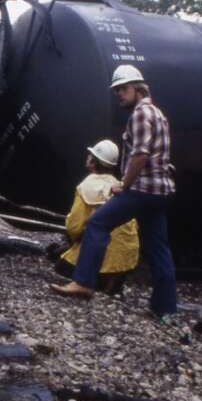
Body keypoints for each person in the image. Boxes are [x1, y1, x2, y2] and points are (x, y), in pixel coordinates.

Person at [55, 65, 178, 321]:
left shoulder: (140, 115)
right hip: (161, 192)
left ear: (138, 88)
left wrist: (124, 184)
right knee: (158, 247)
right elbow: (158, 154)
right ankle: (164, 307)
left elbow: (141, 154)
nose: (119, 94)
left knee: (97, 223)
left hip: (142, 190)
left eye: (123, 89)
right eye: (117, 91)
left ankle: (84, 283)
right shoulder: (159, 114)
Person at [49, 139, 139, 297]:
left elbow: (74, 227)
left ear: (93, 161)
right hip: (126, 260)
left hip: (100, 253)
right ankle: (112, 279)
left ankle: (93, 280)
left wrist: (74, 240)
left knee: (60, 265)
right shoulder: (120, 186)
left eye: (90, 154)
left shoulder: (86, 186)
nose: (87, 156)